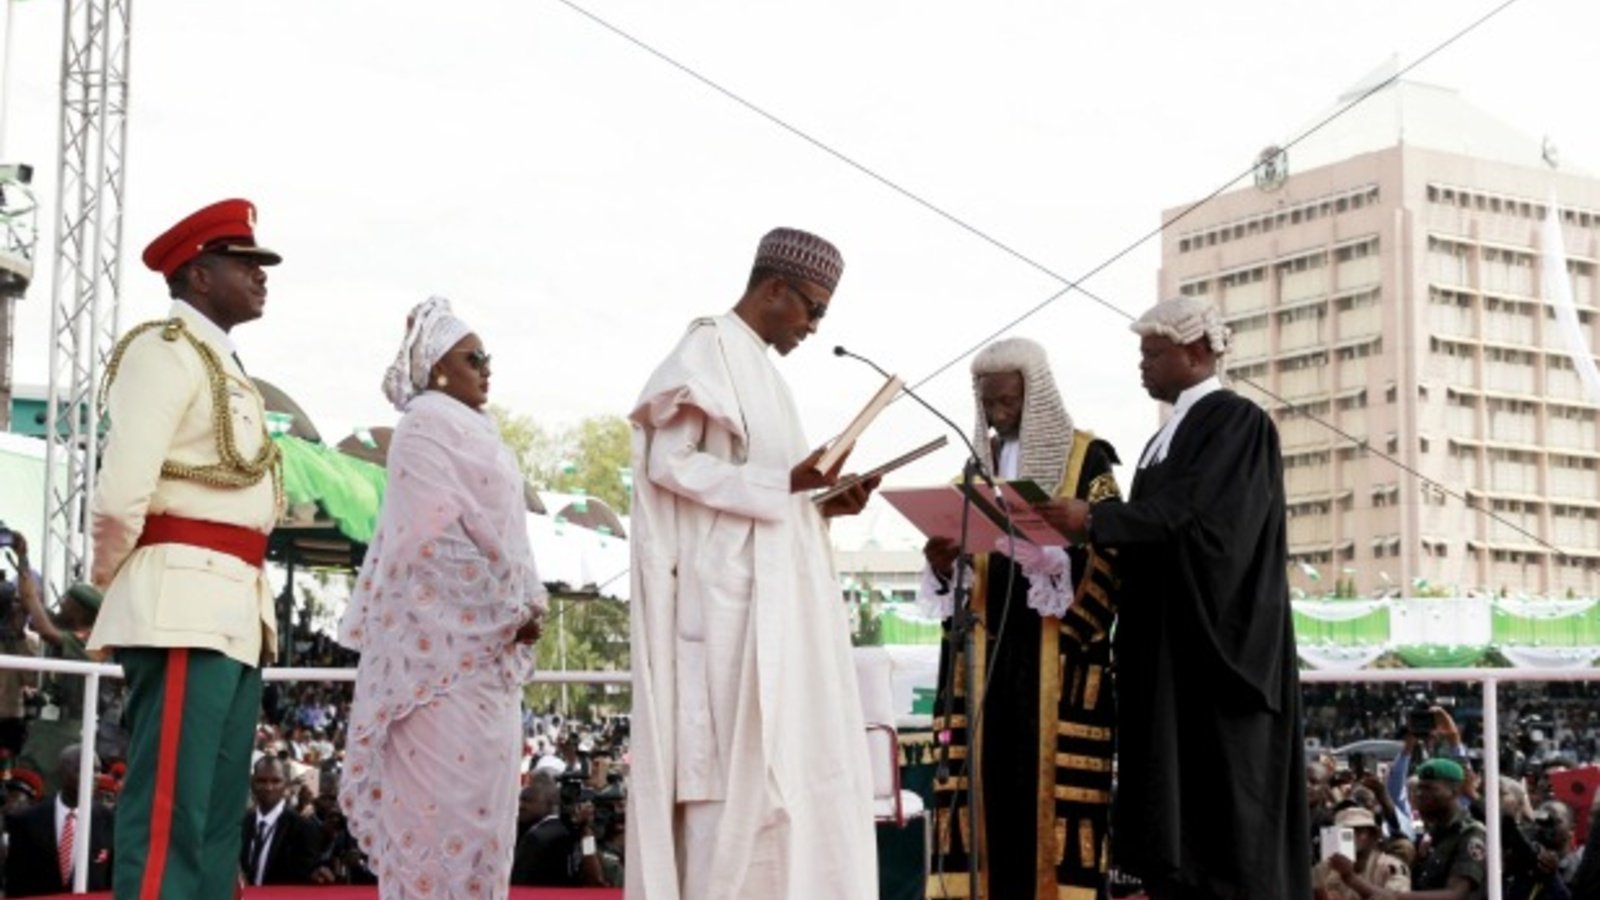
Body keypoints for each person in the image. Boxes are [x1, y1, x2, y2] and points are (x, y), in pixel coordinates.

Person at [627, 227, 879, 900]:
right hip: (727, 611)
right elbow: (670, 463)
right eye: (813, 309)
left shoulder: (764, 369)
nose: (815, 327)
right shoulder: (707, 348)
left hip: (778, 604)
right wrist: (784, 486)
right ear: (774, 289)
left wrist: (822, 504)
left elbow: (767, 490)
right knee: (736, 788)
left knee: (790, 776)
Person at [1036, 294, 1310, 900]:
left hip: (1213, 647)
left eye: (1153, 354)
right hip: (1166, 639)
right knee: (1170, 804)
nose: (1143, 366)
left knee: (1221, 806)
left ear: (1195, 352)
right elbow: (1160, 523)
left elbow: (1203, 518)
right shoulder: (1168, 435)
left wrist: (1100, 518)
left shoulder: (1234, 420)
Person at [87, 198, 284, 900]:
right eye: (245, 264)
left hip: (230, 608)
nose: (262, 277)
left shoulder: (226, 365)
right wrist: (110, 589)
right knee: (170, 808)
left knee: (212, 823)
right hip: (177, 602)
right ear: (198, 275)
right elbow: (119, 497)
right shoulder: (162, 351)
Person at [338, 296, 546, 899]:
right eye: (473, 357)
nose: (487, 368)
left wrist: (526, 602)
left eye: (488, 357)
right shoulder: (424, 428)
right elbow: (426, 550)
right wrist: (508, 610)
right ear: (436, 370)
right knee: (436, 816)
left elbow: (507, 541)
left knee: (486, 817)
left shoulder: (483, 433)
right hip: (437, 665)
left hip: (489, 669)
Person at [916, 337, 1120, 899]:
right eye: (988, 403)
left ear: (1037, 397)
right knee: (984, 812)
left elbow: (1114, 554)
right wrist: (940, 568)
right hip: (984, 671)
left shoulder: (1087, 461)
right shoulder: (969, 473)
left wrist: (1055, 559)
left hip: (1053, 669)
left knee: (1048, 816)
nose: (997, 414)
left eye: (1007, 401)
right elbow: (957, 588)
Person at [3, 744, 114, 896]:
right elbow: (16, 882)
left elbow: (113, 881)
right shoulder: (28, 821)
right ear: (62, 773)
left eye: (97, 770)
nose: (93, 776)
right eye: (82, 769)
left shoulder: (110, 822)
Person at [240, 755, 329, 885]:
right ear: (253, 783)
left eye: (275, 781)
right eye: (262, 781)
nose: (269, 787)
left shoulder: (303, 828)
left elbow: (306, 878)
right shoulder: (242, 824)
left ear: (286, 784)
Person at [1313, 806, 1411, 900]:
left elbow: (1396, 897)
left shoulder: (1391, 867)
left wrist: (1351, 877)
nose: (1352, 836)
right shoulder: (1326, 867)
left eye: (1359, 831)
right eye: (1346, 831)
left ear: (1373, 836)